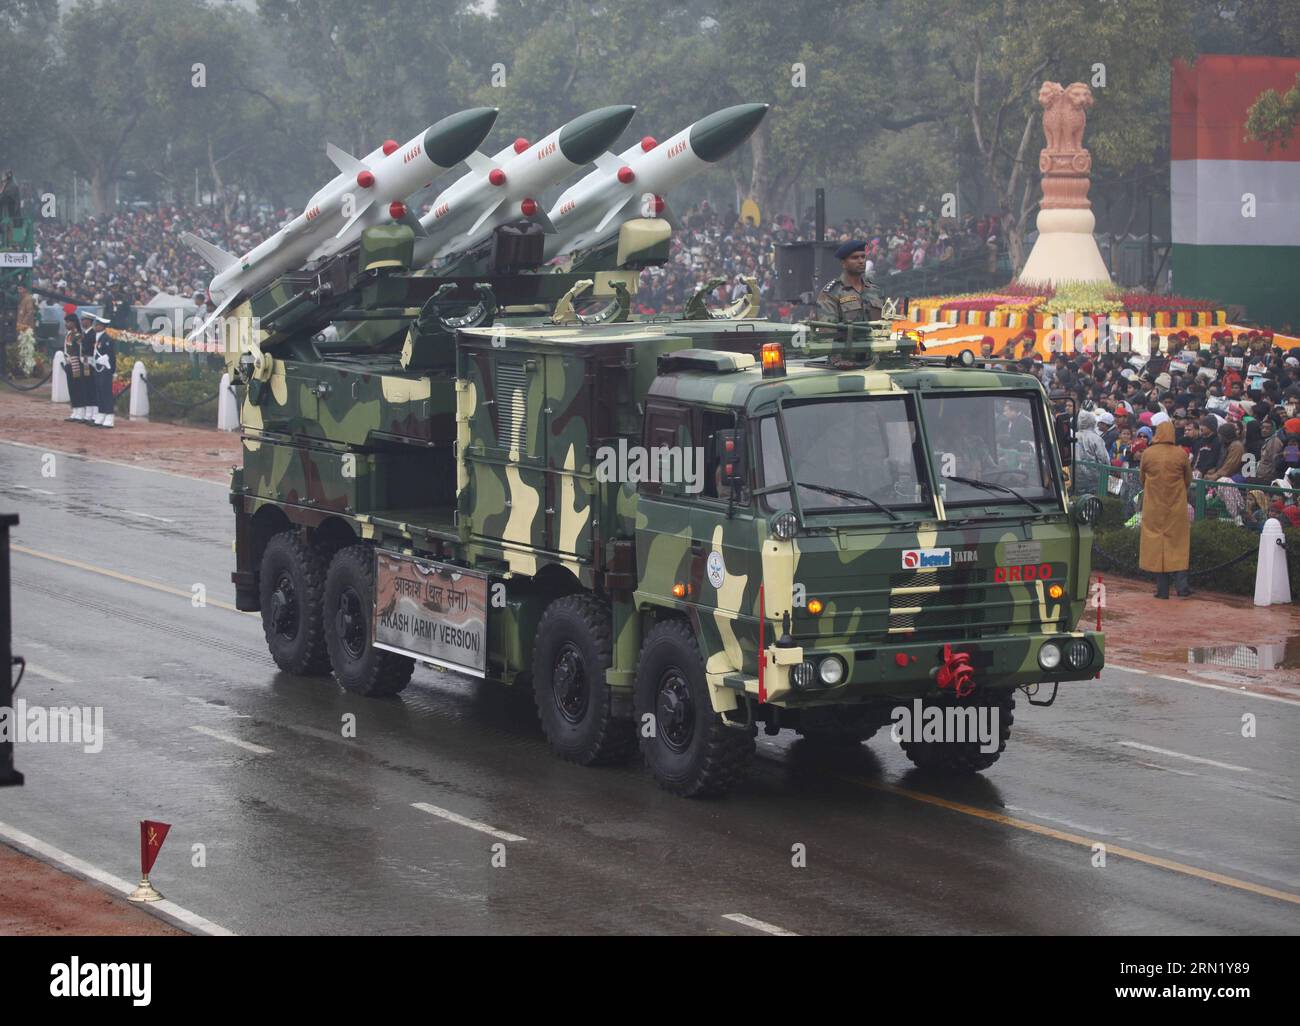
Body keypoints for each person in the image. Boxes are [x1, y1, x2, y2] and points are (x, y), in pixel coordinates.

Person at [1139, 418, 1192, 599]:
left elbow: (1142, 478)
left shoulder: (1148, 453)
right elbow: (1188, 479)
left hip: (1153, 506)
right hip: (1175, 507)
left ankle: (1161, 590)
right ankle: (1182, 587)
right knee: (1178, 544)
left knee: (1156, 545)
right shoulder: (1180, 454)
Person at [817, 240, 883, 324]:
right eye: (855, 258)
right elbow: (827, 331)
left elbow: (886, 324)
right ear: (843, 263)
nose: (861, 261)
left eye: (863, 257)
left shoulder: (875, 290)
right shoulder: (831, 293)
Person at [61, 309, 89, 422]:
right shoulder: (68, 334)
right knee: (71, 387)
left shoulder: (78, 335)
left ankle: (81, 411)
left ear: (73, 323)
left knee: (78, 387)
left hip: (76, 364)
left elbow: (82, 351)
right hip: (68, 363)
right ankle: (75, 410)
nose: (66, 324)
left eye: (68, 322)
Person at [88, 315, 116, 428]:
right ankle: (101, 413)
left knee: (106, 393)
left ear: (103, 326)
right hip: (98, 368)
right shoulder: (98, 337)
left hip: (105, 369)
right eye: (96, 324)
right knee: (99, 391)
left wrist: (112, 368)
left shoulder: (107, 338)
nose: (96, 326)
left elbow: (111, 355)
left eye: (98, 325)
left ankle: (109, 415)